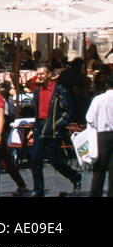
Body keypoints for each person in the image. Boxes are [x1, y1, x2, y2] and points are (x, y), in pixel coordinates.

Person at [27, 64, 81, 196]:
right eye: (38, 74)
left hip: (53, 126)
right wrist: (33, 129)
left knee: (55, 160)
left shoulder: (59, 90)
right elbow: (36, 112)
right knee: (35, 159)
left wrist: (57, 125)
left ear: (50, 74)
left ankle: (75, 176)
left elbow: (67, 112)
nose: (39, 76)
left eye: (42, 74)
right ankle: (38, 189)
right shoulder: (37, 91)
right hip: (40, 126)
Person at [86, 72, 113, 198]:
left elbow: (89, 118)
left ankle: (95, 193)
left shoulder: (98, 99)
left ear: (106, 85)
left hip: (102, 135)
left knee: (100, 169)